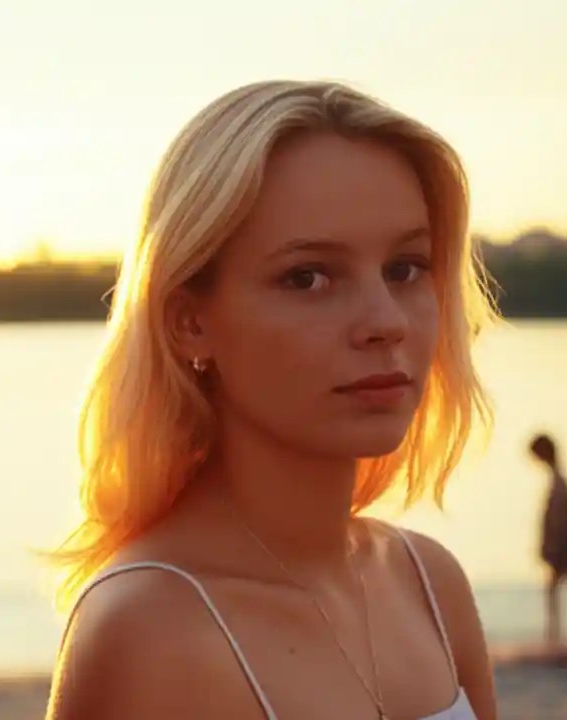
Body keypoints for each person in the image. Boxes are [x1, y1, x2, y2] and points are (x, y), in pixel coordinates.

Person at [47, 80, 498, 719]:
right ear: (188, 321)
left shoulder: (429, 585)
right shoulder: (152, 630)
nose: (385, 321)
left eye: (405, 268)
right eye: (308, 277)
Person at [527, 433, 567, 647]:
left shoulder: (559, 482)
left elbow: (559, 519)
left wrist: (551, 545)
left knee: (564, 586)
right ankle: (555, 632)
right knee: (563, 586)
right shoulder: (557, 480)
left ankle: (554, 634)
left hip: (562, 543)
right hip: (562, 542)